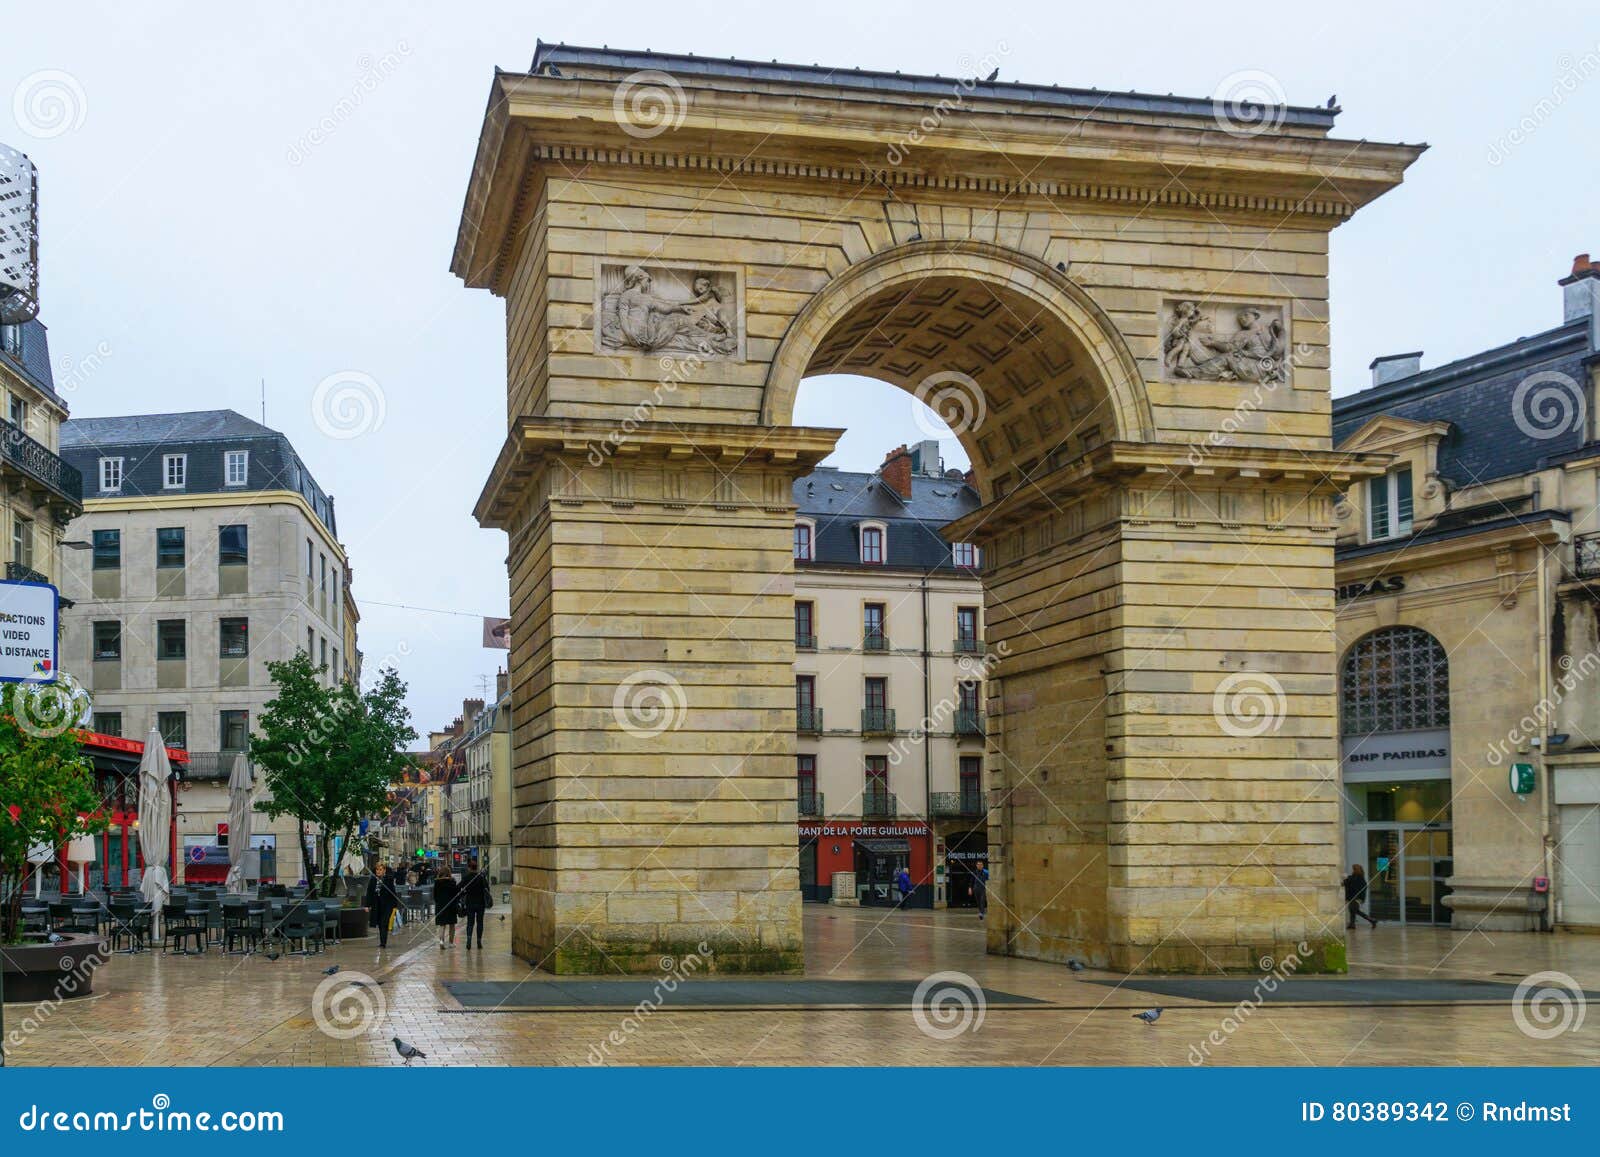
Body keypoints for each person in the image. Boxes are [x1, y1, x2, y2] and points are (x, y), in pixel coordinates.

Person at [364, 862, 402, 949]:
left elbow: (393, 893)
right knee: (380, 924)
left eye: (380, 869)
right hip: (377, 904)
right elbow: (369, 893)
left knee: (384, 923)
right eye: (377, 869)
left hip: (387, 905)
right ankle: (382, 942)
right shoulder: (373, 879)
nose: (378, 871)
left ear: (384, 870)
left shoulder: (388, 879)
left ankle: (383, 943)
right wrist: (367, 905)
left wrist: (395, 906)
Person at [458, 858, 493, 950]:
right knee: (480, 923)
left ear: (469, 868)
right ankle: (479, 941)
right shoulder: (481, 877)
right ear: (476, 868)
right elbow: (487, 889)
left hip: (470, 903)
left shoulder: (467, 877)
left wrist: (463, 893)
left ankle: (469, 941)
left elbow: (459, 887)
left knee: (470, 923)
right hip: (480, 903)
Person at [1343, 863, 1378, 929]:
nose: (1352, 870)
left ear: (1355, 870)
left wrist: (1345, 879)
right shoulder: (1359, 877)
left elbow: (1348, 884)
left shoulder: (1356, 878)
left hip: (1355, 897)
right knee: (1352, 910)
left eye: (1353, 869)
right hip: (1357, 898)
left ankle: (1372, 920)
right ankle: (1352, 924)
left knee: (1355, 911)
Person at [433, 863, 460, 949]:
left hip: (440, 905)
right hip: (451, 905)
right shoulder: (452, 881)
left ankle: (441, 942)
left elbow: (435, 895)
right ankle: (451, 943)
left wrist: (438, 902)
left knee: (442, 925)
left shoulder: (437, 882)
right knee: (452, 925)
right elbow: (455, 894)